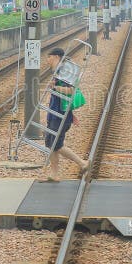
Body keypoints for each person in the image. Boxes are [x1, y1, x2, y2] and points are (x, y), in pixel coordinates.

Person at [42, 48, 88, 182]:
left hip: (60, 115)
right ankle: (54, 174)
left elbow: (71, 91)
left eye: (49, 57)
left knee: (56, 144)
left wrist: (54, 88)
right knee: (50, 143)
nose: (48, 60)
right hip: (55, 113)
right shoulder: (58, 73)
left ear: (56, 57)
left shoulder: (65, 72)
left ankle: (82, 163)